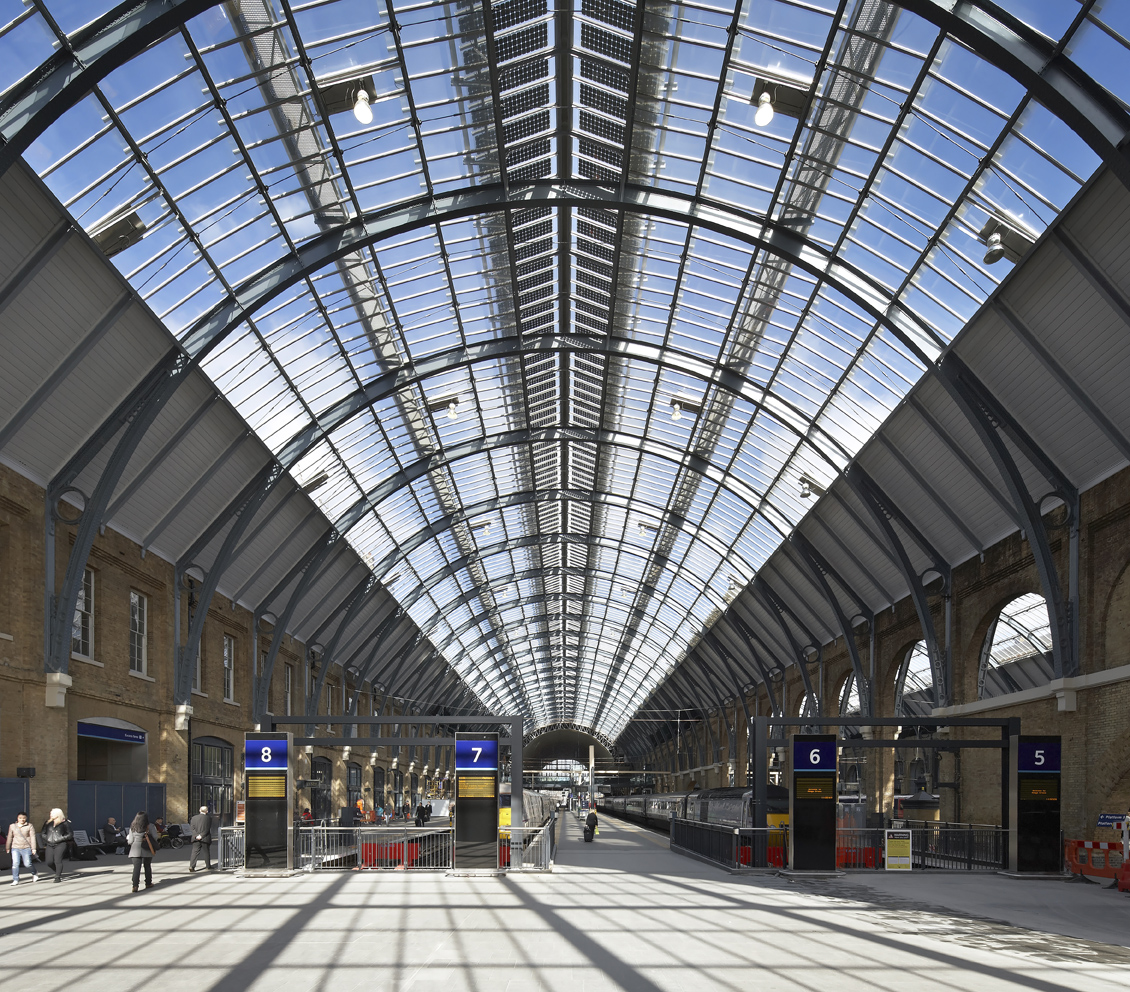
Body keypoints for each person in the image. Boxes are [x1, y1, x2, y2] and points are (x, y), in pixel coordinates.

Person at [126, 811, 158, 892]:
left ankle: (135, 885)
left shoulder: (133, 826)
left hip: (135, 848)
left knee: (136, 867)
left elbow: (130, 841)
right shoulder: (150, 826)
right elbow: (155, 837)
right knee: (147, 865)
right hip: (147, 847)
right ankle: (148, 883)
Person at [41, 808, 73, 882]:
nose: (51, 815)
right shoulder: (48, 823)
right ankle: (57, 871)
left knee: (57, 861)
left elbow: (70, 834)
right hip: (50, 844)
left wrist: (61, 838)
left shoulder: (65, 823)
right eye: (51, 813)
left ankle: (57, 876)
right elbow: (43, 832)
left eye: (53, 813)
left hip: (60, 844)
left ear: (58, 814)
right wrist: (47, 839)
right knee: (49, 862)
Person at [6, 811, 38, 885]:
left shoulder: (29, 826)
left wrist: (33, 848)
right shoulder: (12, 826)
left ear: (26, 818)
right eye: (20, 818)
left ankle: (34, 872)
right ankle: (15, 879)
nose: (22, 819)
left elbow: (32, 837)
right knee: (15, 863)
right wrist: (8, 847)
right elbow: (10, 837)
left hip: (26, 847)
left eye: (24, 818)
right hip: (15, 847)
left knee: (27, 864)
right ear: (17, 818)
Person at [188, 805, 212, 873]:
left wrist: (196, 835)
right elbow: (207, 829)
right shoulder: (208, 818)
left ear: (199, 810)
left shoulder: (194, 818)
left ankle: (192, 866)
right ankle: (208, 866)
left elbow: (192, 828)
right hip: (205, 838)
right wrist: (201, 835)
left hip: (195, 838)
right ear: (207, 811)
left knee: (195, 852)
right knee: (206, 852)